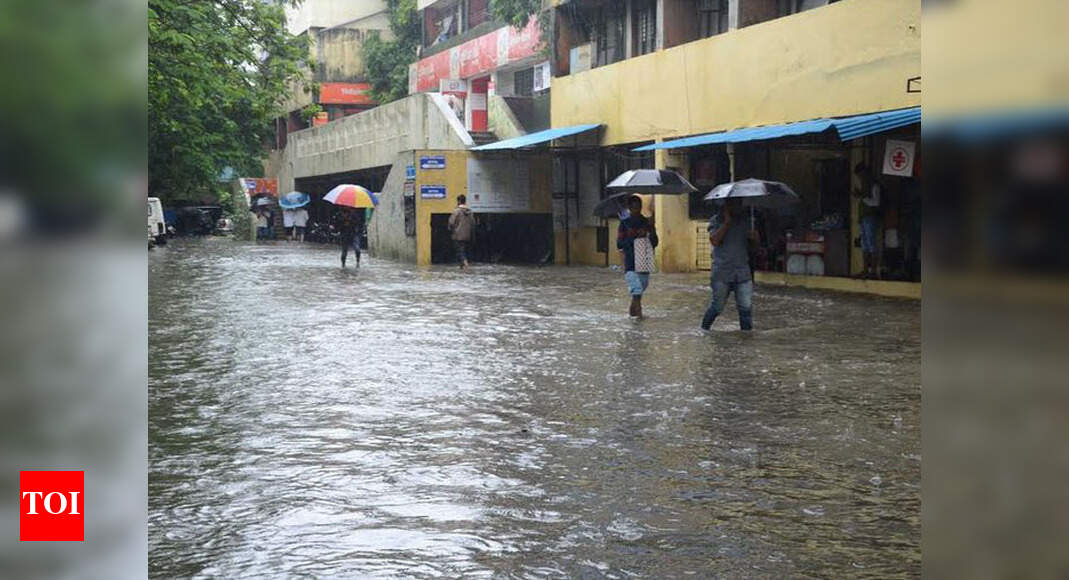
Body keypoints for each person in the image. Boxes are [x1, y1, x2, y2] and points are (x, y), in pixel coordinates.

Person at [701, 198, 759, 331]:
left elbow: (755, 248)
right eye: (733, 204)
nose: (737, 207)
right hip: (722, 272)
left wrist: (755, 239)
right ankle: (704, 331)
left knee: (746, 308)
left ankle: (746, 339)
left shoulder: (747, 221)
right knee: (717, 306)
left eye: (739, 204)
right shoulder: (716, 220)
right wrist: (727, 223)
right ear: (726, 206)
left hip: (742, 271)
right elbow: (714, 241)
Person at [617, 195, 658, 318]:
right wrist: (635, 237)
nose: (636, 209)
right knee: (637, 291)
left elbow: (655, 243)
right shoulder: (624, 224)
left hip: (644, 261)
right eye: (633, 207)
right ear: (629, 208)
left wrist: (651, 229)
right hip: (630, 263)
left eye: (638, 207)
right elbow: (619, 244)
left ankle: (633, 318)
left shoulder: (647, 222)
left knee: (638, 293)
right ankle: (639, 318)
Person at [853, 162, 882, 278]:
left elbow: (876, 202)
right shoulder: (865, 186)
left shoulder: (874, 185)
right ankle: (865, 270)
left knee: (871, 244)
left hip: (870, 217)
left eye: (861, 175)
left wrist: (861, 197)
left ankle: (873, 271)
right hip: (863, 218)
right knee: (865, 244)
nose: (860, 178)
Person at [448, 194, 476, 269]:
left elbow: (451, 222)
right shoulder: (470, 212)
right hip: (468, 236)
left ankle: (465, 264)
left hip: (458, 235)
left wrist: (451, 230)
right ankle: (462, 267)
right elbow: (473, 224)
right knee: (465, 251)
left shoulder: (456, 211)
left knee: (460, 251)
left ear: (459, 201)